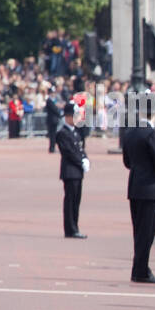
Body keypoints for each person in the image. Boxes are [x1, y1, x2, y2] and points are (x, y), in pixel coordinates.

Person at [120, 96, 155, 284]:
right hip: (151, 187)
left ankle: (140, 268)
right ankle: (141, 270)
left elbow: (127, 162)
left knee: (139, 230)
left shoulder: (129, 133)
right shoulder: (151, 134)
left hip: (135, 184)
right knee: (147, 231)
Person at [57, 101, 89, 238]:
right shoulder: (62, 133)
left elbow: (80, 149)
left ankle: (74, 227)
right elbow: (69, 152)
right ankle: (70, 229)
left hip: (77, 172)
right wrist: (80, 161)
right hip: (70, 171)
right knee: (70, 202)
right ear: (68, 117)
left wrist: (85, 158)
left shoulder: (76, 132)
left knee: (76, 201)